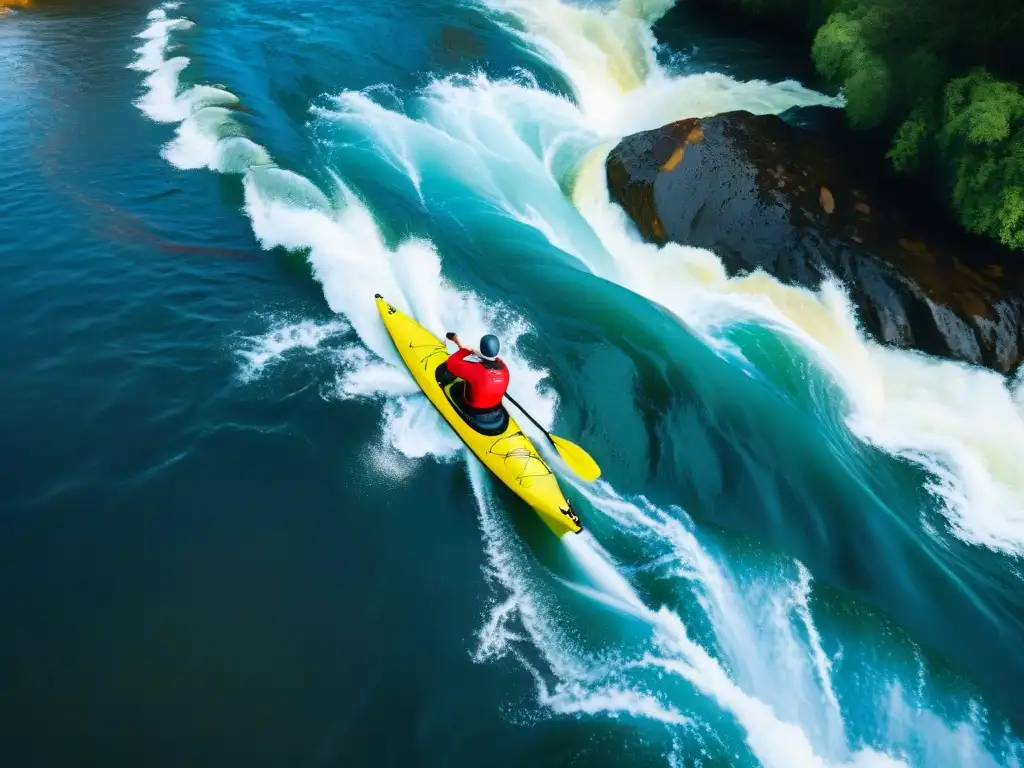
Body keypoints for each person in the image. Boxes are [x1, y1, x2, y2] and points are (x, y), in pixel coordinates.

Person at [439, 331, 510, 411]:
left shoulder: (474, 369)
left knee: (457, 381)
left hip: (473, 407)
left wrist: (466, 350)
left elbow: (451, 363)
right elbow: (492, 361)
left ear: (481, 348)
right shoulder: (505, 368)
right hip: (494, 406)